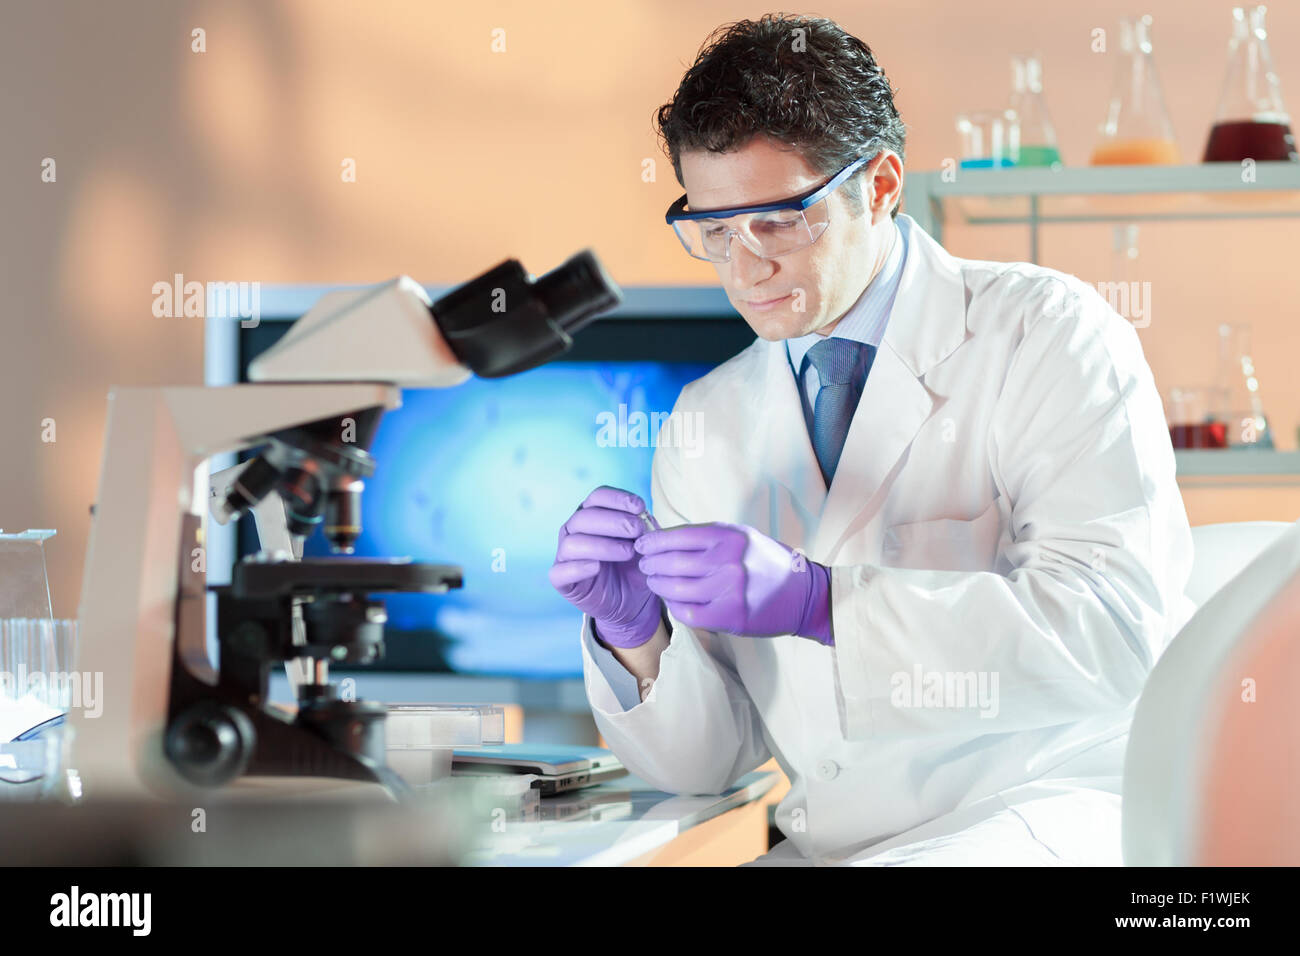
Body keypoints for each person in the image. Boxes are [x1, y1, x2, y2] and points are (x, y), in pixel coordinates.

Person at [548, 13, 1194, 866]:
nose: (746, 268)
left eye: (779, 220)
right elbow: (707, 770)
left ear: (882, 183)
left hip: (1047, 810)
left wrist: (823, 604)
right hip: (839, 845)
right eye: (714, 231)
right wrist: (636, 635)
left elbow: (1114, 636)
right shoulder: (709, 417)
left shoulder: (1046, 332)